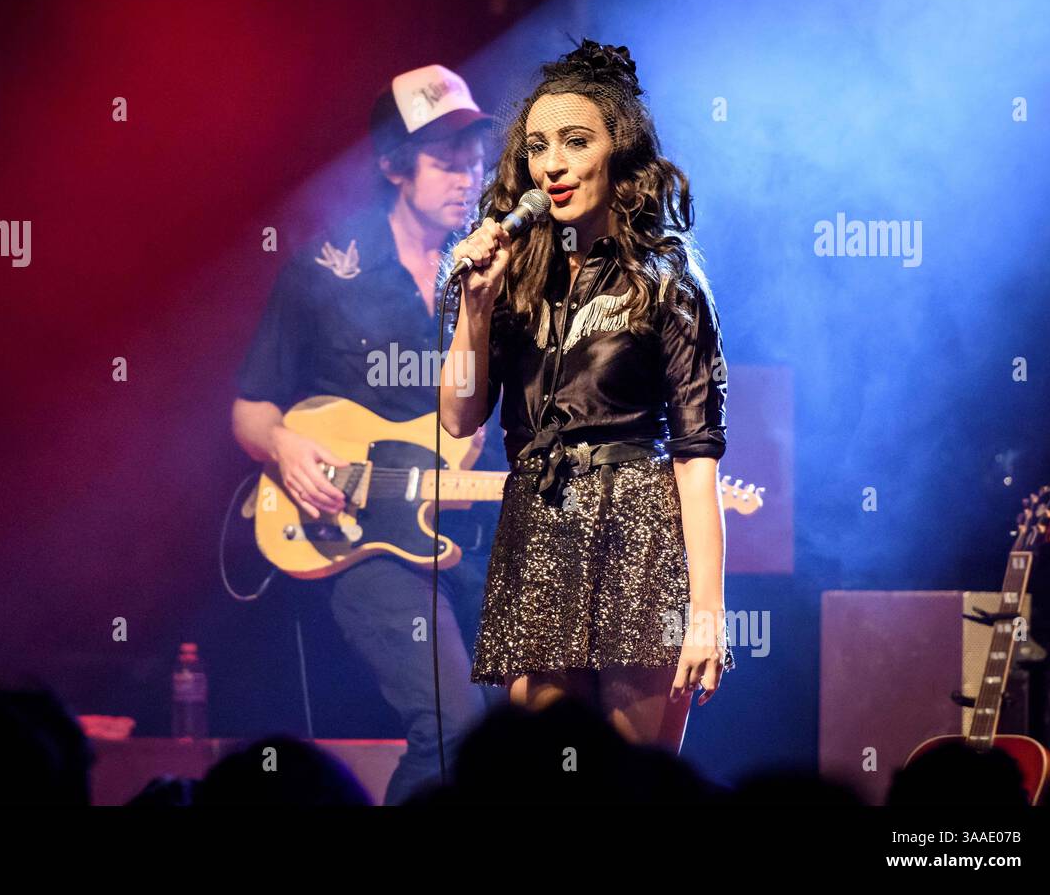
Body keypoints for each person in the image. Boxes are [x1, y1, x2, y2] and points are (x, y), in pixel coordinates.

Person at [439, 39, 736, 753]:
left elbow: (696, 460)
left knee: (636, 784)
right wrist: (475, 306)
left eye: (576, 142)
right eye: (539, 146)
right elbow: (457, 414)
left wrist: (706, 612)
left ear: (620, 153)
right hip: (537, 530)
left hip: (636, 531)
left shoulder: (666, 278)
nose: (554, 164)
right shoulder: (515, 274)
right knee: (538, 777)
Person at [231, 64, 507, 804]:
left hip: (467, 528)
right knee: (453, 728)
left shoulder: (495, 272)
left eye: (475, 154)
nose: (466, 174)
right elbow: (251, 407)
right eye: (445, 158)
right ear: (393, 165)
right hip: (361, 537)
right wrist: (287, 447)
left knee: (520, 735)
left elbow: (474, 428)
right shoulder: (327, 269)